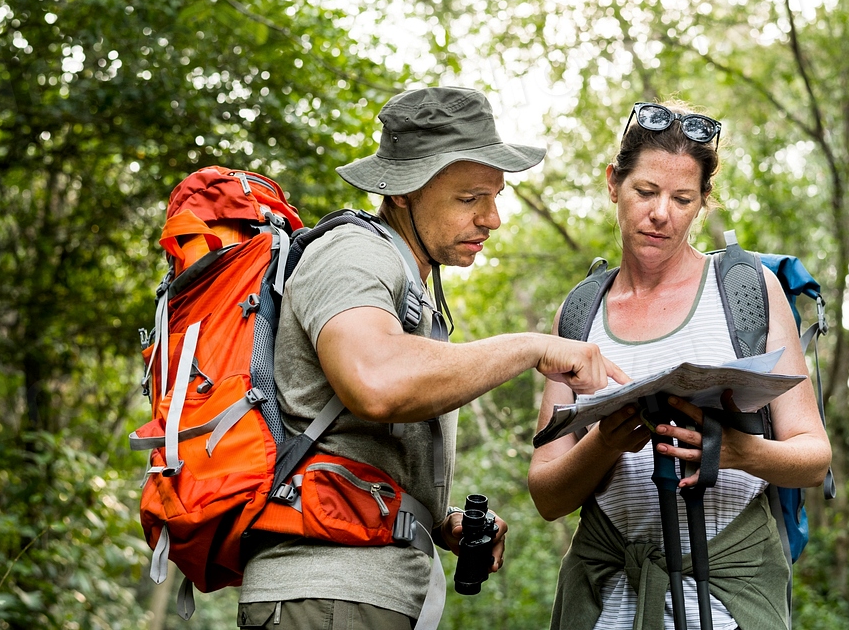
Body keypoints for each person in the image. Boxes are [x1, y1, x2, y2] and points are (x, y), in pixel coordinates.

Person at [236, 86, 629, 630]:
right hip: (326, 596)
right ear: (402, 192)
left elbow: (355, 441)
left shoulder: (409, 279)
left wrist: (431, 521)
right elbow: (375, 381)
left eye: (496, 195)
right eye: (469, 199)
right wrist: (531, 345)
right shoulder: (352, 252)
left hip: (366, 594)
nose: (492, 218)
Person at [529, 100, 833, 630]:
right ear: (613, 183)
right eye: (645, 191)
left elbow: (814, 457)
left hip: (728, 600)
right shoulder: (580, 311)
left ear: (702, 204)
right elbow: (547, 493)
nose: (661, 213)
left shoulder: (745, 293)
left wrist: (738, 451)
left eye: (682, 198)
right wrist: (604, 443)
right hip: (606, 600)